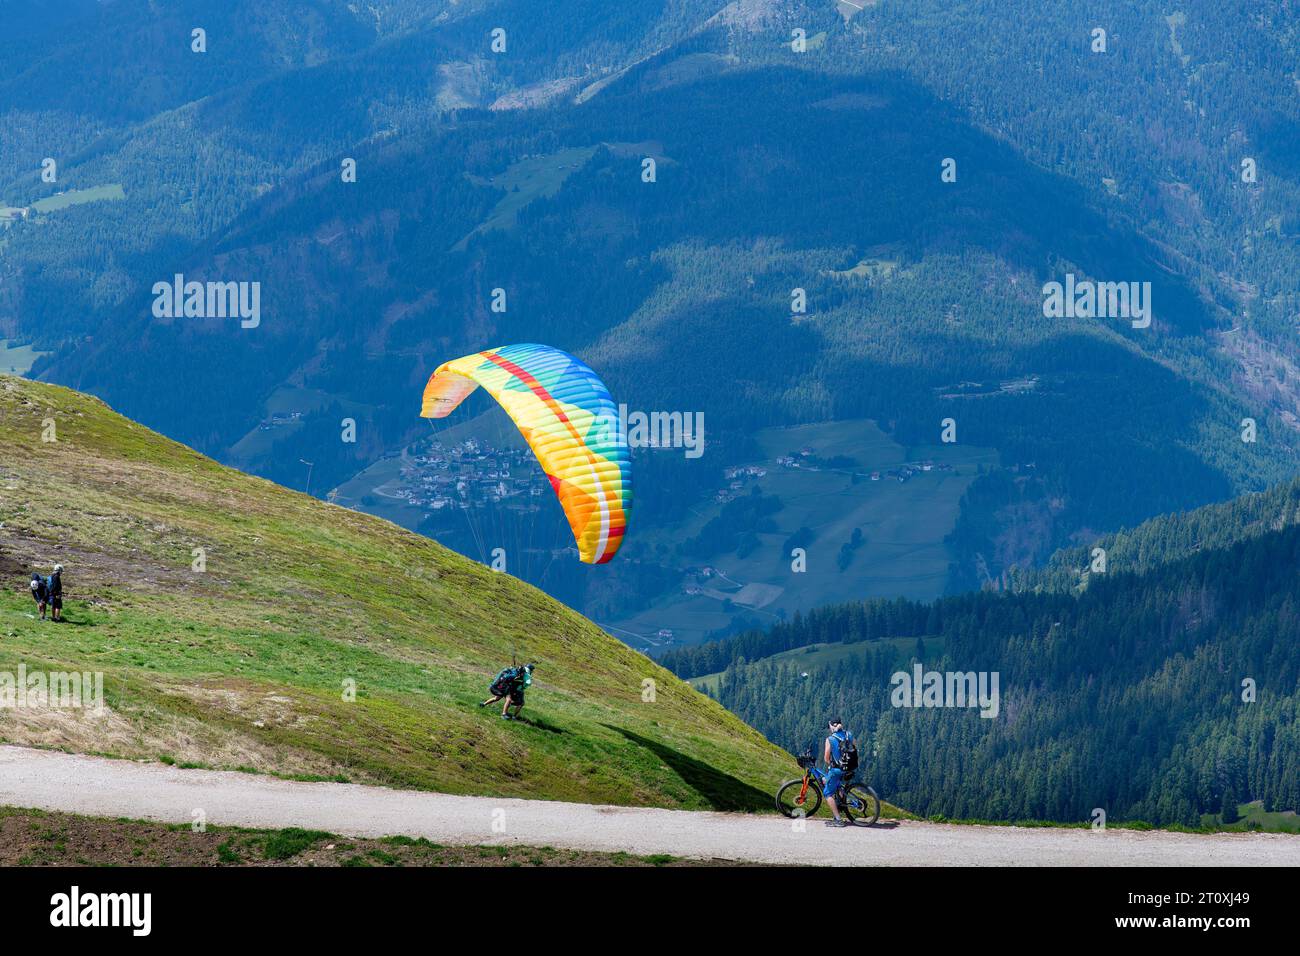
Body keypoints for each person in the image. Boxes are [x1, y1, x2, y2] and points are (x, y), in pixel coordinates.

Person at [818, 717, 857, 827]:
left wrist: (831, 764)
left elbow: (826, 758)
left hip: (837, 770)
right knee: (837, 785)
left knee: (827, 793)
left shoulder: (830, 739)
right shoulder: (848, 734)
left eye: (829, 726)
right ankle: (841, 802)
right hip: (849, 767)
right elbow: (854, 746)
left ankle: (838, 820)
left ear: (832, 726)